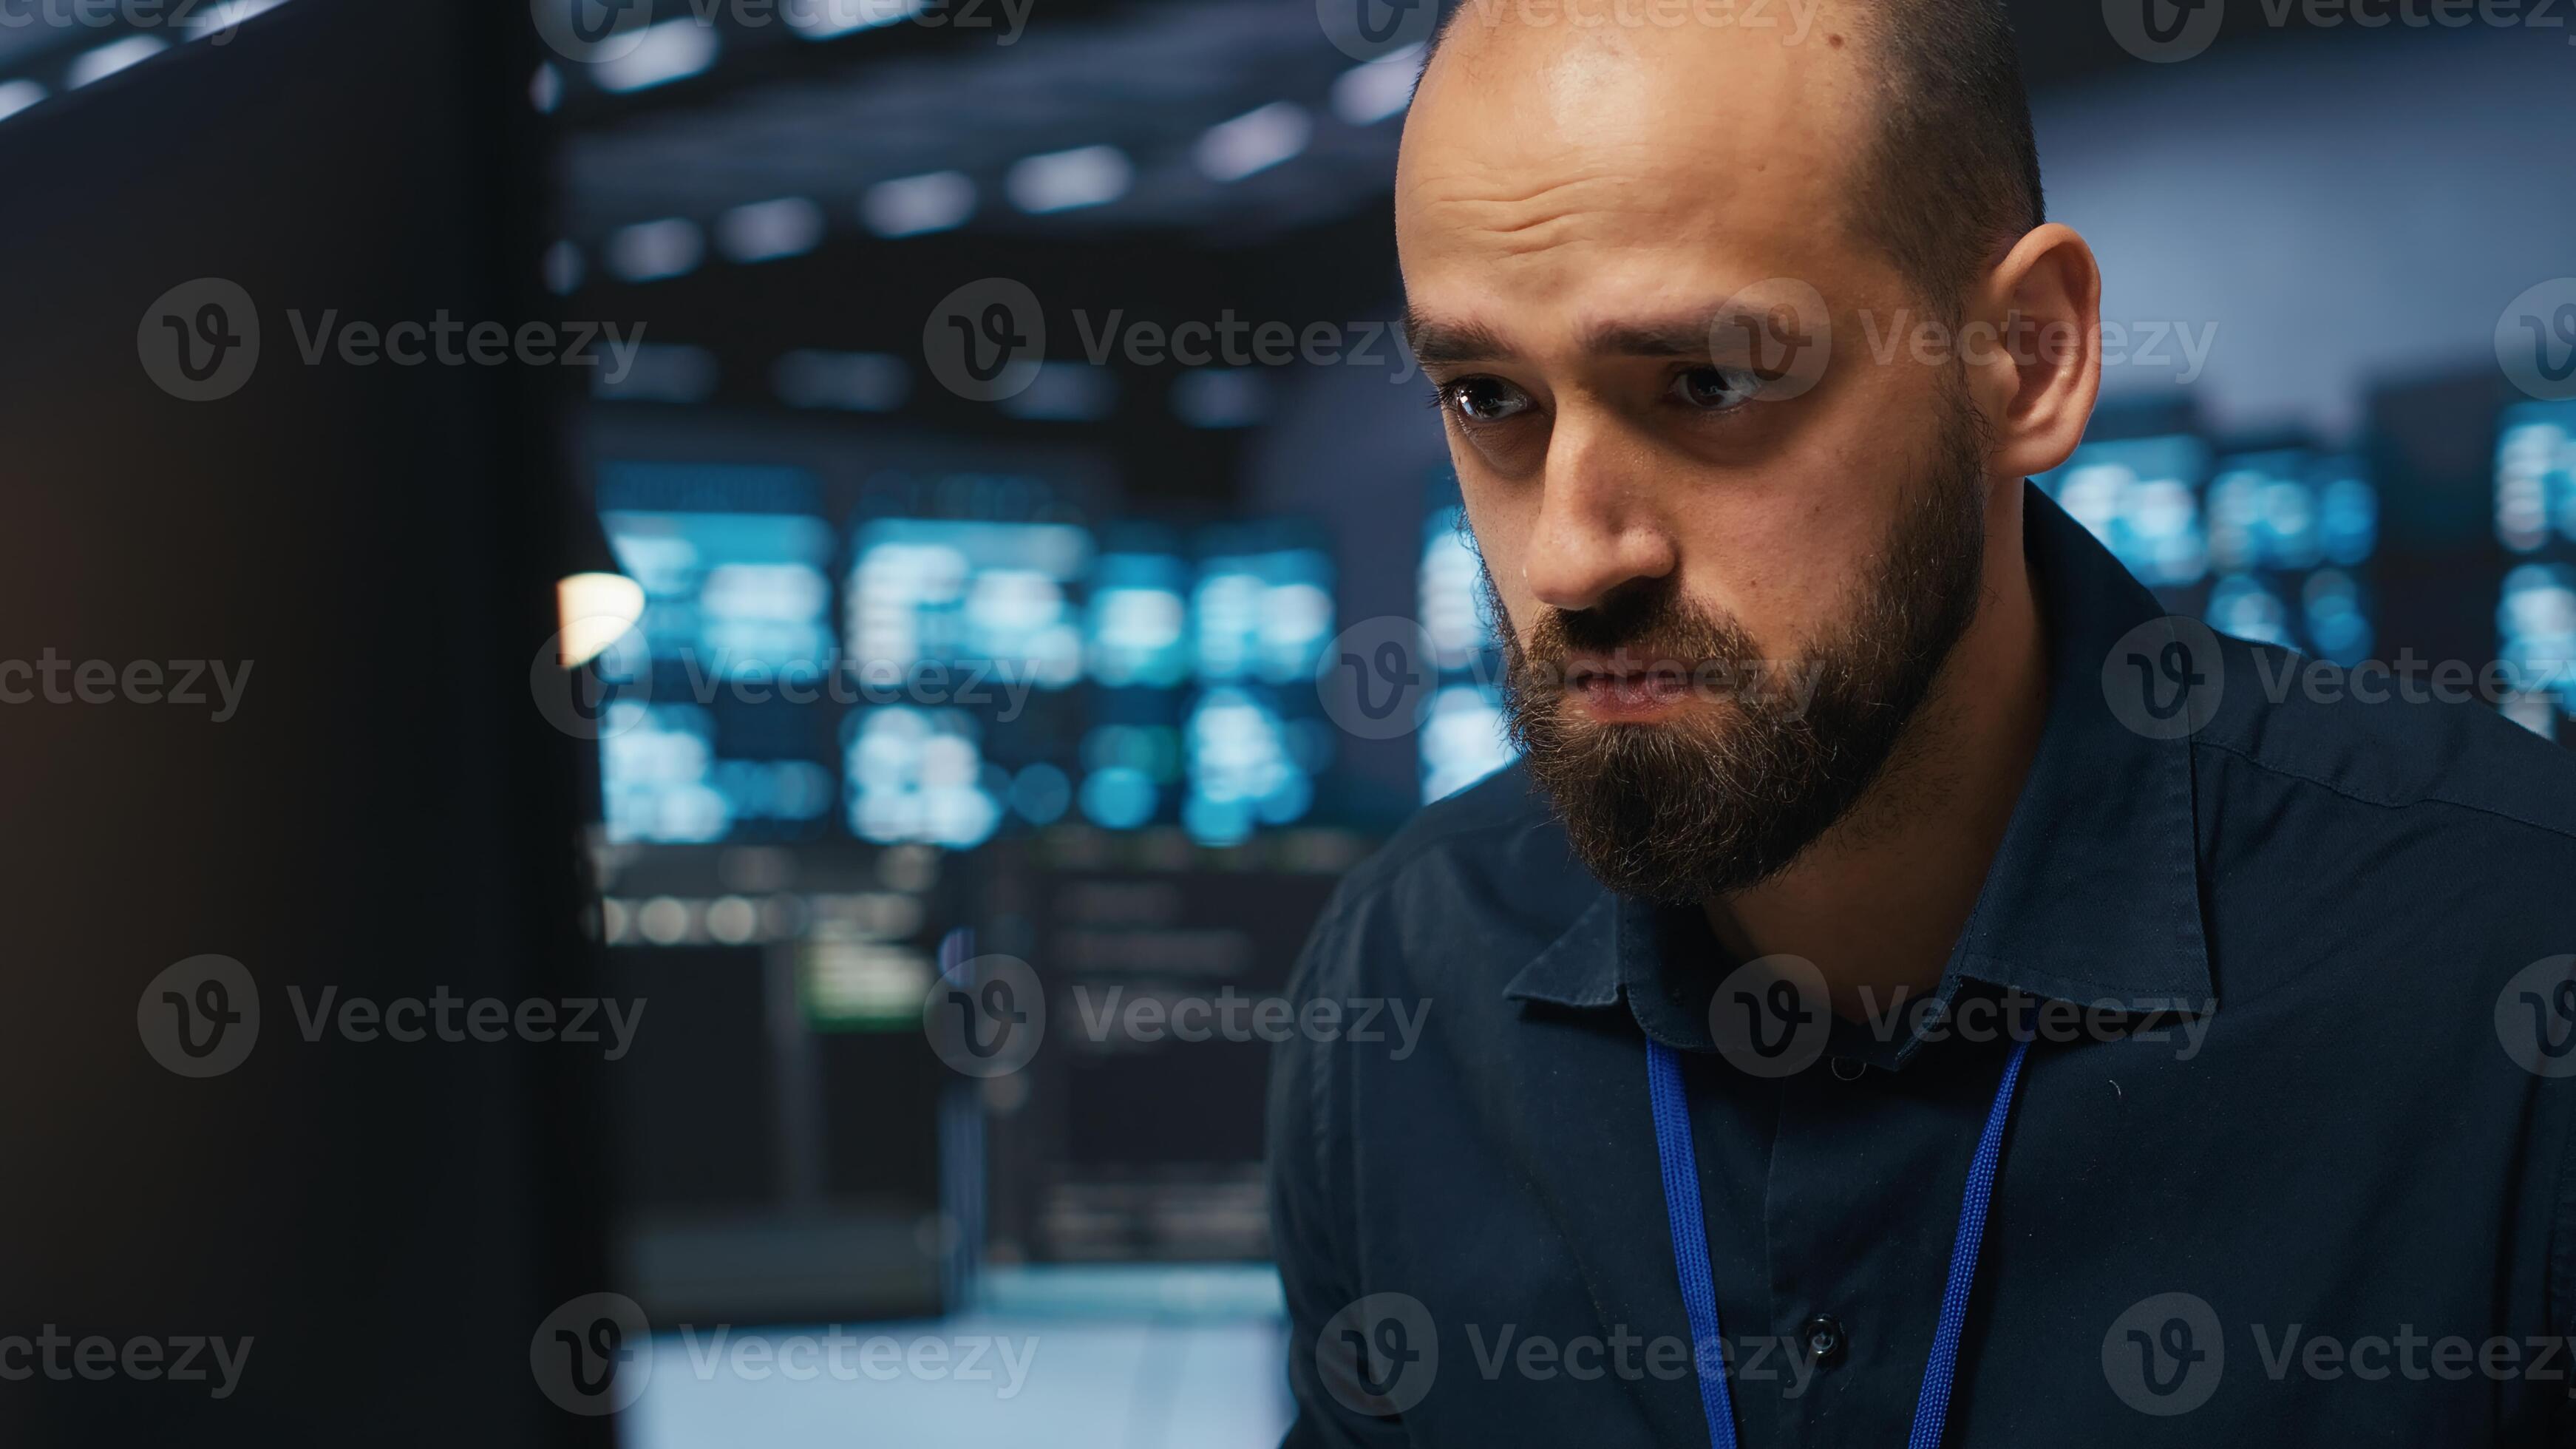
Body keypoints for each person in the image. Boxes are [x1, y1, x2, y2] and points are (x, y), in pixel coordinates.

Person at [1267, 1, 2576, 1443]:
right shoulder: (1406, 988)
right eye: (1489, 396)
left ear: (2026, 356)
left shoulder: (2505, 969)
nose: (1573, 555)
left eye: (1710, 381)